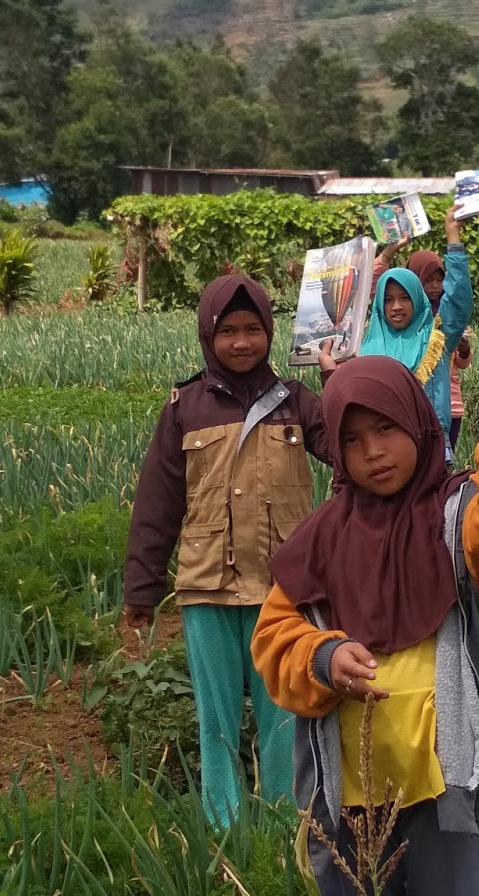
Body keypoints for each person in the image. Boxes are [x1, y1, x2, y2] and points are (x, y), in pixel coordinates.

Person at [252, 352, 479, 896]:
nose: (374, 452)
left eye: (387, 428)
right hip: (351, 805)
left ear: (418, 423)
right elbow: (272, 638)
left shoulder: (456, 516)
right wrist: (322, 656)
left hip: (453, 794)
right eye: (354, 439)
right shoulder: (322, 536)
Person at [123, 273, 331, 828]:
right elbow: (157, 504)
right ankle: (225, 830)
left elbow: (344, 448)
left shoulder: (296, 402)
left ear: (270, 332)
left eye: (254, 330)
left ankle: (289, 826)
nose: (242, 343)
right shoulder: (184, 407)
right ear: (207, 336)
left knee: (283, 712)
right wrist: (141, 590)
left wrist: (339, 385)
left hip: (280, 587)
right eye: (229, 331)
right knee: (214, 719)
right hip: (206, 587)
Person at [326, 206, 473, 443]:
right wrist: (329, 372)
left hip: (431, 448)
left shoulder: (436, 338)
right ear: (378, 306)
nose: (396, 306)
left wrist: (453, 236)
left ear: (417, 298)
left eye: (405, 298)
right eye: (388, 299)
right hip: (381, 452)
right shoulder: (364, 349)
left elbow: (458, 299)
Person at [448, 330, 472, 453]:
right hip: (422, 406)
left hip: (452, 406)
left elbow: (463, 363)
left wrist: (464, 350)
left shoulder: (451, 322)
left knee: (446, 459)